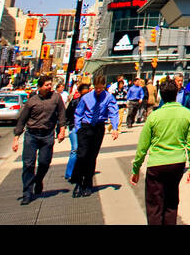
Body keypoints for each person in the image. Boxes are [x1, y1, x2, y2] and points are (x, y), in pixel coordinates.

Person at [130, 79, 190, 225]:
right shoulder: (186, 115)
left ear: (161, 94)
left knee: (154, 205)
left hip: (157, 165)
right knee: (171, 202)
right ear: (176, 94)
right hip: (177, 163)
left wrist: (136, 168)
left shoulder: (154, 116)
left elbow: (142, 146)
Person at [12, 74, 66, 204]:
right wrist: (16, 138)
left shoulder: (56, 98)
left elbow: (62, 114)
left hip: (47, 135)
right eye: (47, 85)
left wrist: (62, 130)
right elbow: (22, 120)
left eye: (50, 85)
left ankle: (38, 179)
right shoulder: (32, 101)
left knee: (44, 162)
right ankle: (27, 193)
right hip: (32, 135)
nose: (49, 87)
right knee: (28, 164)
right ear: (40, 87)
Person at [71, 74, 120, 197]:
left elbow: (113, 112)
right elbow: (78, 113)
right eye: (96, 87)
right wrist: (78, 128)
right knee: (82, 155)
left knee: (92, 157)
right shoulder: (86, 98)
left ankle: (88, 184)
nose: (98, 90)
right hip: (85, 126)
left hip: (98, 127)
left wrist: (115, 128)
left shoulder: (108, 98)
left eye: (101, 88)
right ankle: (78, 182)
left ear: (104, 86)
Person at [63, 83, 89, 182]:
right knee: (75, 149)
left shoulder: (92, 102)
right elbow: (67, 115)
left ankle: (80, 171)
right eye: (84, 93)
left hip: (86, 128)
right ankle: (69, 173)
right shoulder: (74, 102)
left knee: (83, 150)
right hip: (74, 127)